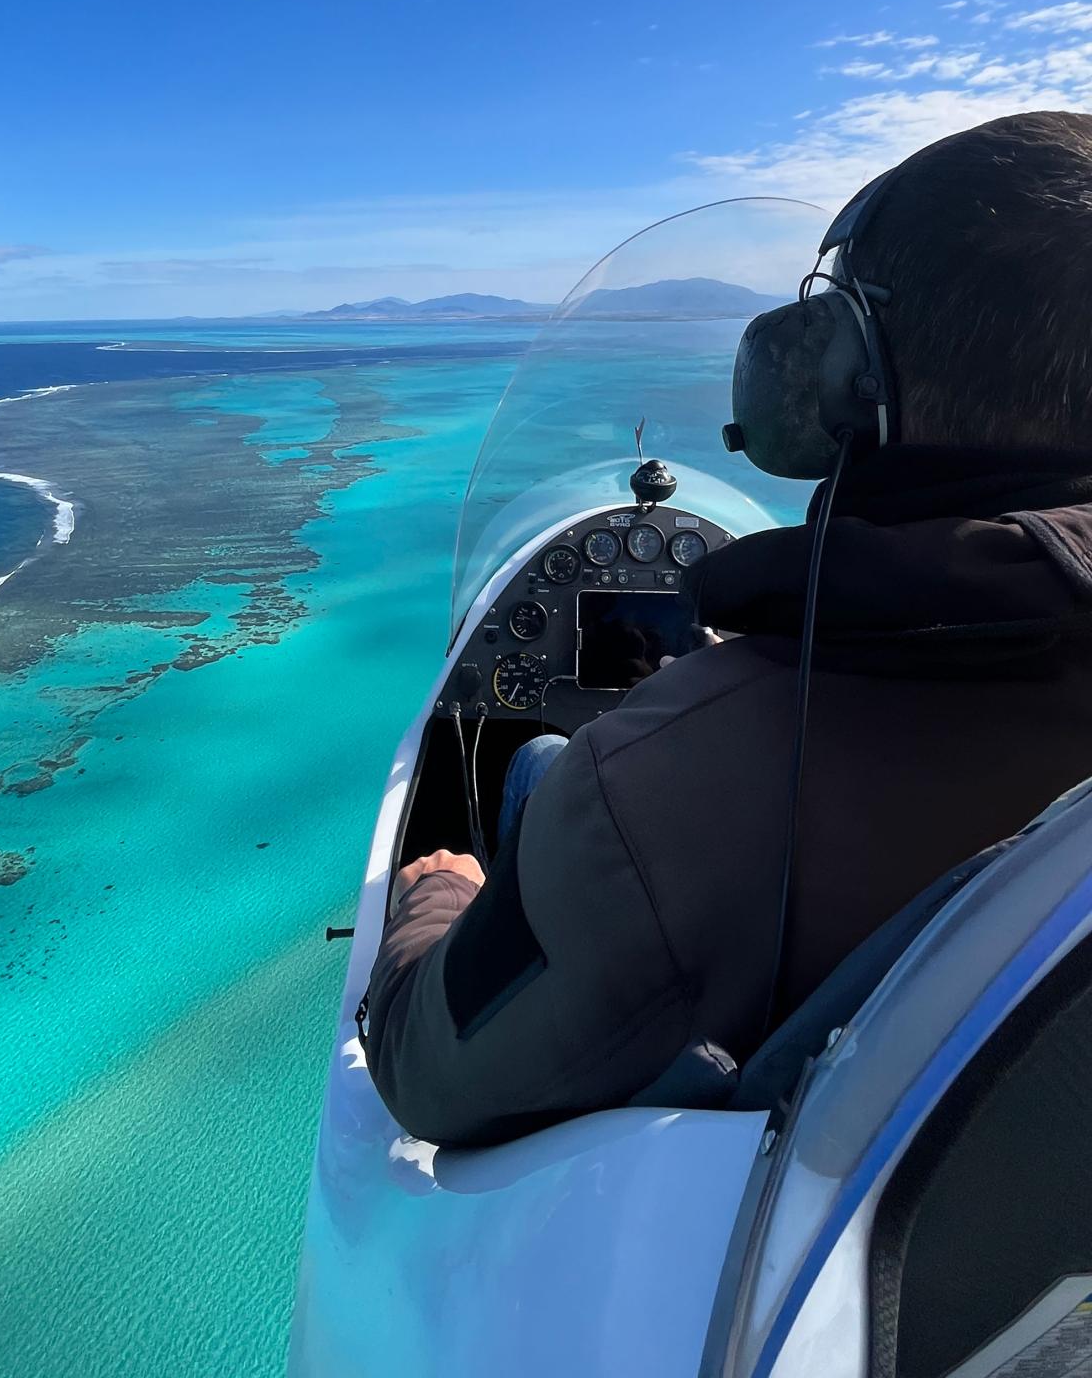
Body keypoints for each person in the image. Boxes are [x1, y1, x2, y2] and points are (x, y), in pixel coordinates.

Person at [366, 111, 1092, 1148]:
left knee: (537, 758)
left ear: (847, 377)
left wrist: (437, 899)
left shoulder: (664, 789)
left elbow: (423, 1074)